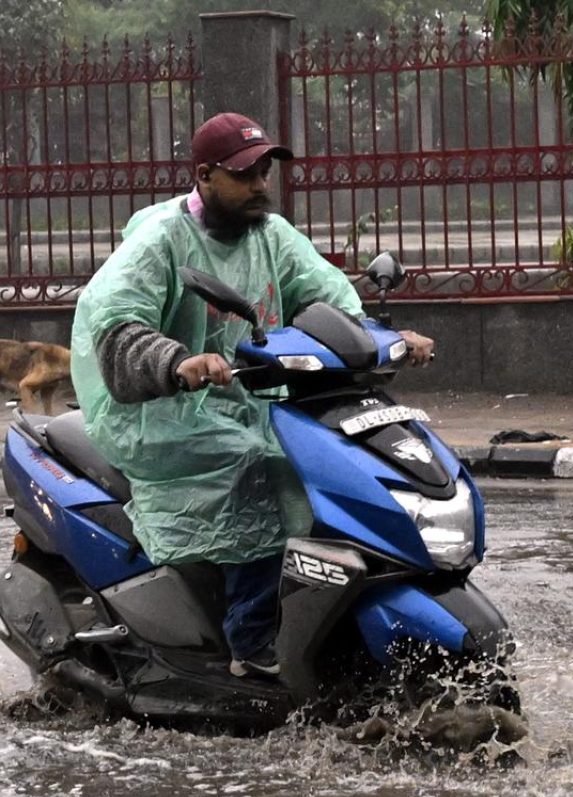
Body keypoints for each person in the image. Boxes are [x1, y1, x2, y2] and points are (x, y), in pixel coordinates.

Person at [70, 112, 434, 679]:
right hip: (162, 414)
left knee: (320, 460)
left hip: (248, 401)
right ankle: (250, 640)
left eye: (264, 171)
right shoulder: (159, 240)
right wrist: (177, 362)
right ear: (205, 175)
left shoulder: (271, 235)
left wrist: (388, 340)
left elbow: (329, 298)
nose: (261, 184)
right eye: (244, 174)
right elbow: (118, 327)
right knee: (262, 466)